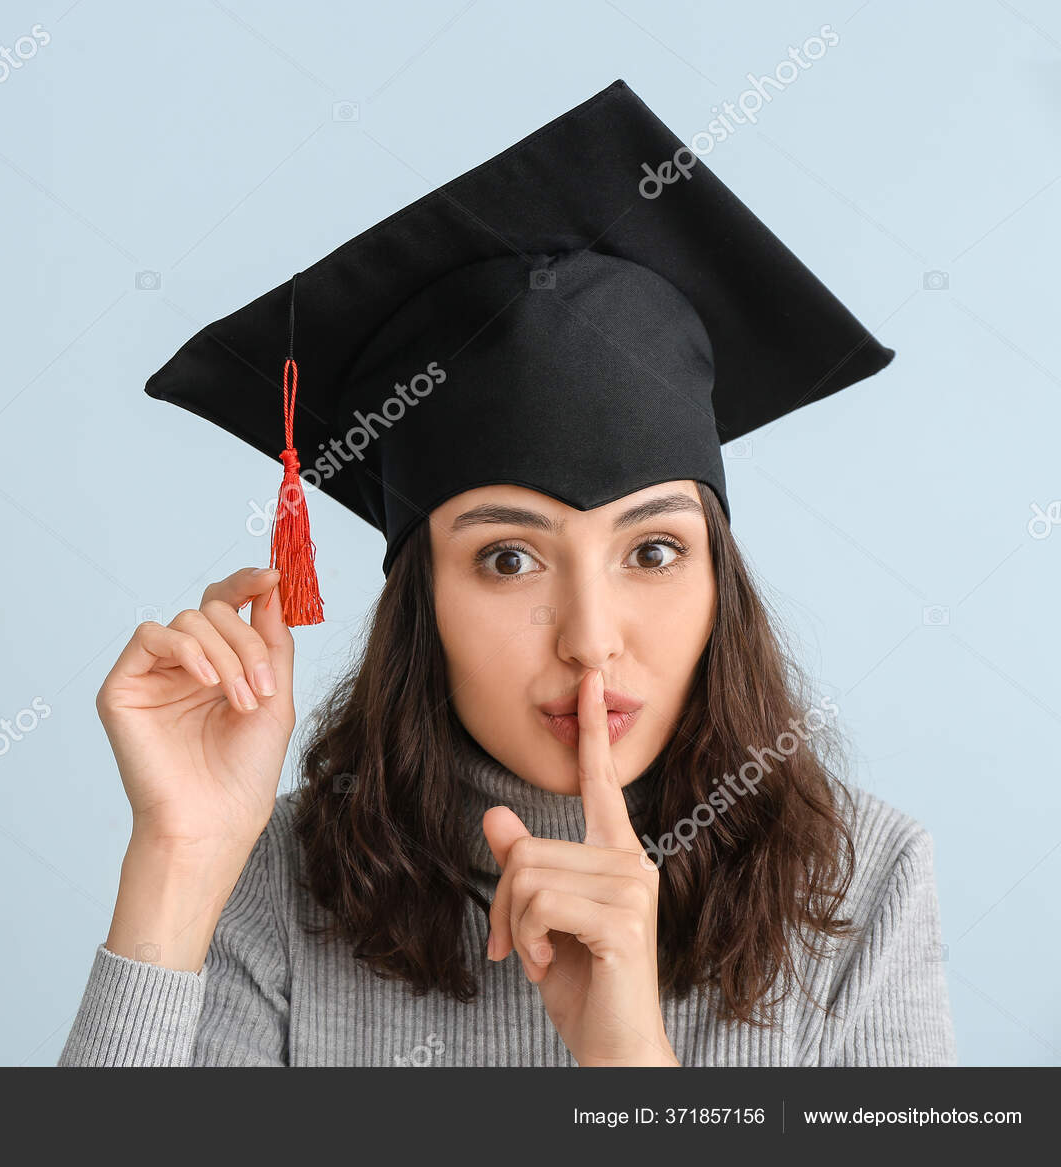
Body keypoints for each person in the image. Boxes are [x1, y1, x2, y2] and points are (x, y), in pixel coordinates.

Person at [56, 79, 955, 1066]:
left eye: (651, 551)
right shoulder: (275, 881)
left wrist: (626, 1055)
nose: (589, 637)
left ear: (718, 586)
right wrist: (179, 863)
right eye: (507, 558)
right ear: (421, 604)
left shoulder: (857, 883)